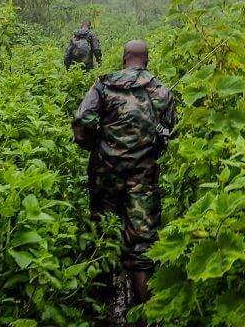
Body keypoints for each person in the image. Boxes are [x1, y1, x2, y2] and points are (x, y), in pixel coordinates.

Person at [72, 39, 176, 308]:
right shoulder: (161, 90)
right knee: (141, 242)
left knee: (102, 231)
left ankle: (101, 304)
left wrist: (97, 147)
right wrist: (149, 151)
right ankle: (143, 311)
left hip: (104, 172)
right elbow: (169, 131)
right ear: (147, 59)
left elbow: (82, 121)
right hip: (142, 177)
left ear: (123, 57)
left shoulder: (103, 84)